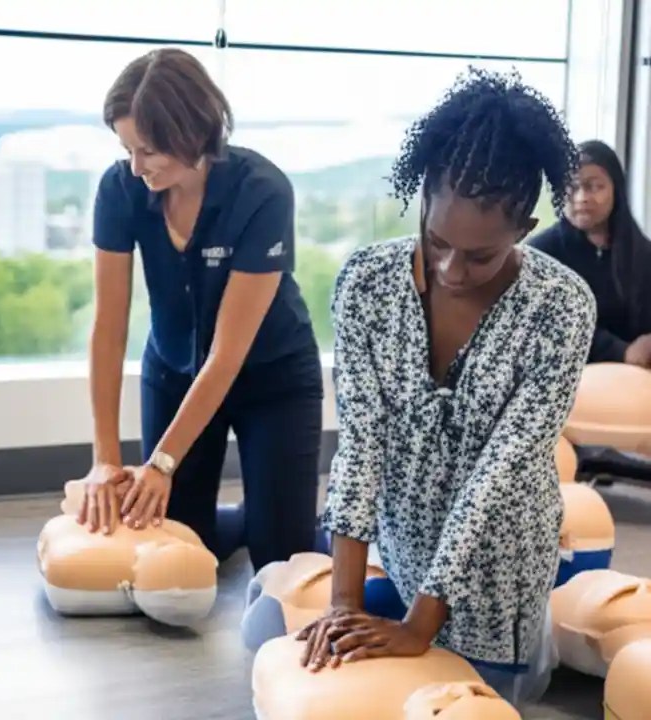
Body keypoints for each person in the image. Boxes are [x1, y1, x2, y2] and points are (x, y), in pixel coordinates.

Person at [299, 68, 595, 708]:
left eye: (480, 255)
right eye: (436, 242)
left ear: (526, 225)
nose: (451, 270)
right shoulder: (367, 284)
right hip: (402, 547)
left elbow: (501, 476)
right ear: (423, 194)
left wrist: (419, 627)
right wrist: (342, 605)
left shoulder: (562, 307)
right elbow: (360, 446)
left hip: (498, 573)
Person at [78, 47, 324, 572]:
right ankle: (236, 519)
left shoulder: (263, 192)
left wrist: (162, 462)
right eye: (126, 149)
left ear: (192, 133)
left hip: (271, 379)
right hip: (173, 372)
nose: (136, 166)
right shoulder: (119, 189)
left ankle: (297, 526)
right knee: (182, 551)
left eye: (148, 151)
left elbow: (227, 353)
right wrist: (105, 459)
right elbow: (108, 330)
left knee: (282, 560)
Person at [527, 139, 651, 366]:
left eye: (594, 186)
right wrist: (621, 351)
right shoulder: (540, 254)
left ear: (616, 189)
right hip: (570, 383)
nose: (581, 197)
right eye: (571, 187)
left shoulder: (642, 253)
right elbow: (550, 325)